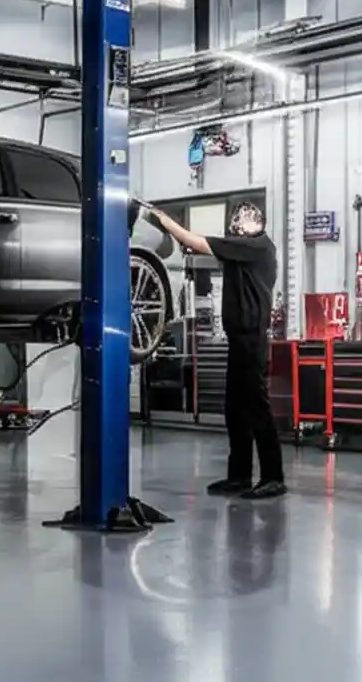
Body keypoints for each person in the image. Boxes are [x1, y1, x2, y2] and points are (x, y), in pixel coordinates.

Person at [148, 203, 286, 500]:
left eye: (245, 218)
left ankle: (274, 477)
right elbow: (199, 250)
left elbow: (196, 242)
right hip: (238, 338)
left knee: (257, 407)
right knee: (235, 409)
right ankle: (239, 476)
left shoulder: (258, 246)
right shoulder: (240, 249)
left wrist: (164, 222)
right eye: (237, 218)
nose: (239, 222)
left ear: (258, 223)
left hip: (251, 339)